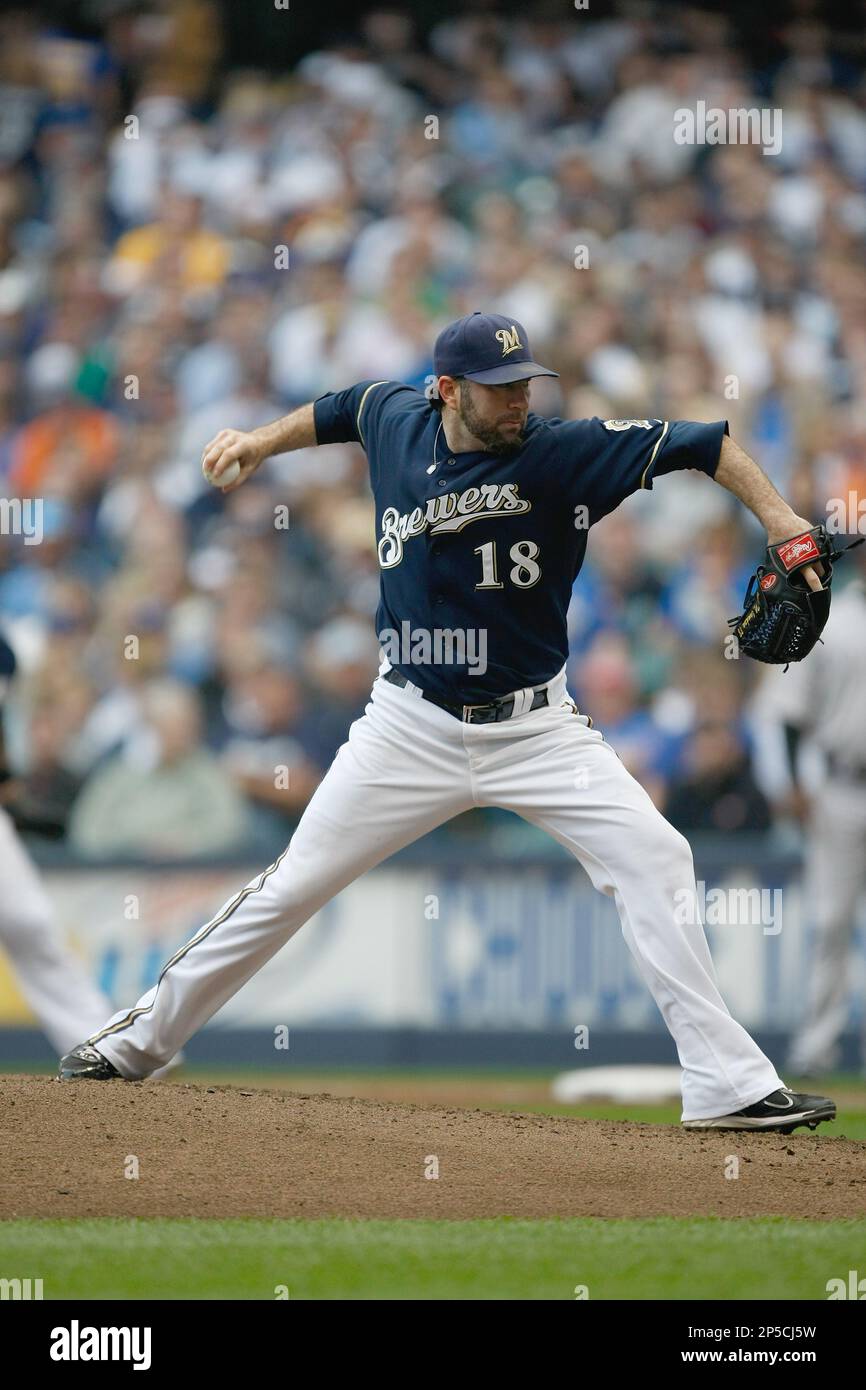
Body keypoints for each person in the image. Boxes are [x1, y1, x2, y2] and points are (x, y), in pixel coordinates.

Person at [60, 311, 835, 1132]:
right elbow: (340, 407)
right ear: (448, 390)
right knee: (291, 886)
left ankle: (724, 1084)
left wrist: (783, 522)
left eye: (524, 386)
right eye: (499, 391)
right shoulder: (397, 420)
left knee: (657, 856)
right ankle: (137, 1045)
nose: (518, 404)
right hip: (409, 727)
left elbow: (704, 442)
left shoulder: (560, 452)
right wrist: (258, 439)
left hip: (537, 729)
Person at [755, 543, 866, 1076]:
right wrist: (799, 782)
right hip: (842, 786)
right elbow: (789, 714)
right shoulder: (836, 622)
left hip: (842, 786)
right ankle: (817, 1046)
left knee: (833, 922)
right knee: (830, 921)